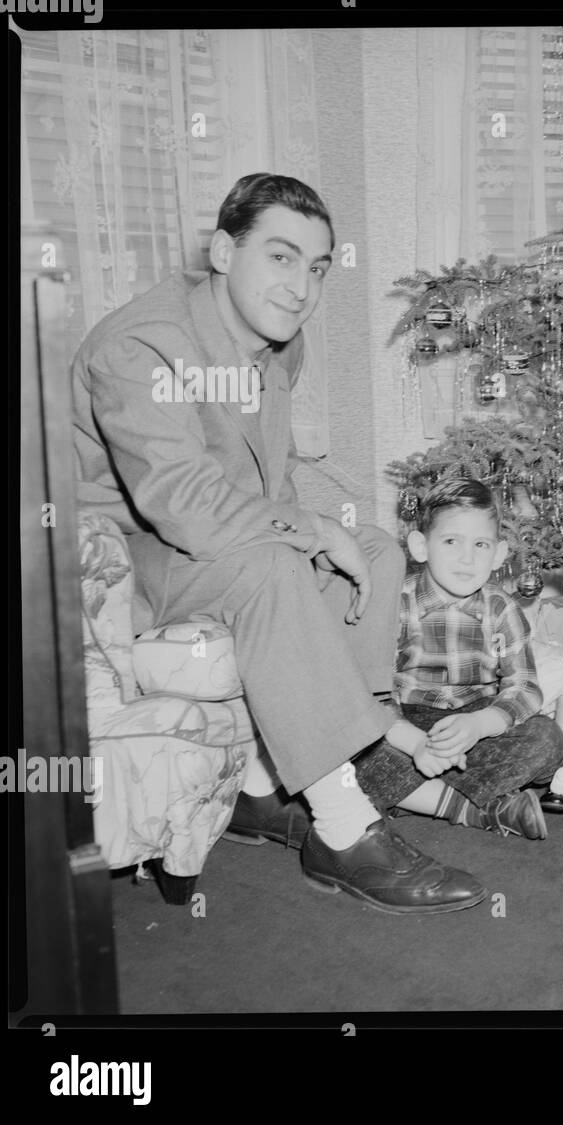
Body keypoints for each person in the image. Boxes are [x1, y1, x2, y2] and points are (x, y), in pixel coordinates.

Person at [72, 173, 485, 914]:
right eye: (282, 257)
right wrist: (309, 531)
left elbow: (269, 473)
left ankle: (274, 784)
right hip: (124, 560)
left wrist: (328, 536)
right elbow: (185, 509)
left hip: (211, 539)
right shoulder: (141, 347)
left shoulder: (274, 347)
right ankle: (342, 826)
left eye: (318, 266)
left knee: (381, 550)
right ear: (225, 252)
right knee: (274, 565)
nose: (301, 287)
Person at [349, 478, 563, 837]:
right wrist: (416, 744)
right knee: (353, 749)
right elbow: (374, 696)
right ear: (421, 546)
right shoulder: (395, 603)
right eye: (451, 541)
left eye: (480, 544)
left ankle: (414, 794)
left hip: (474, 719)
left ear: (498, 554)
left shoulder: (503, 608)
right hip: (405, 721)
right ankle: (470, 808)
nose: (467, 558)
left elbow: (524, 687)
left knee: (547, 740)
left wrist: (481, 724)